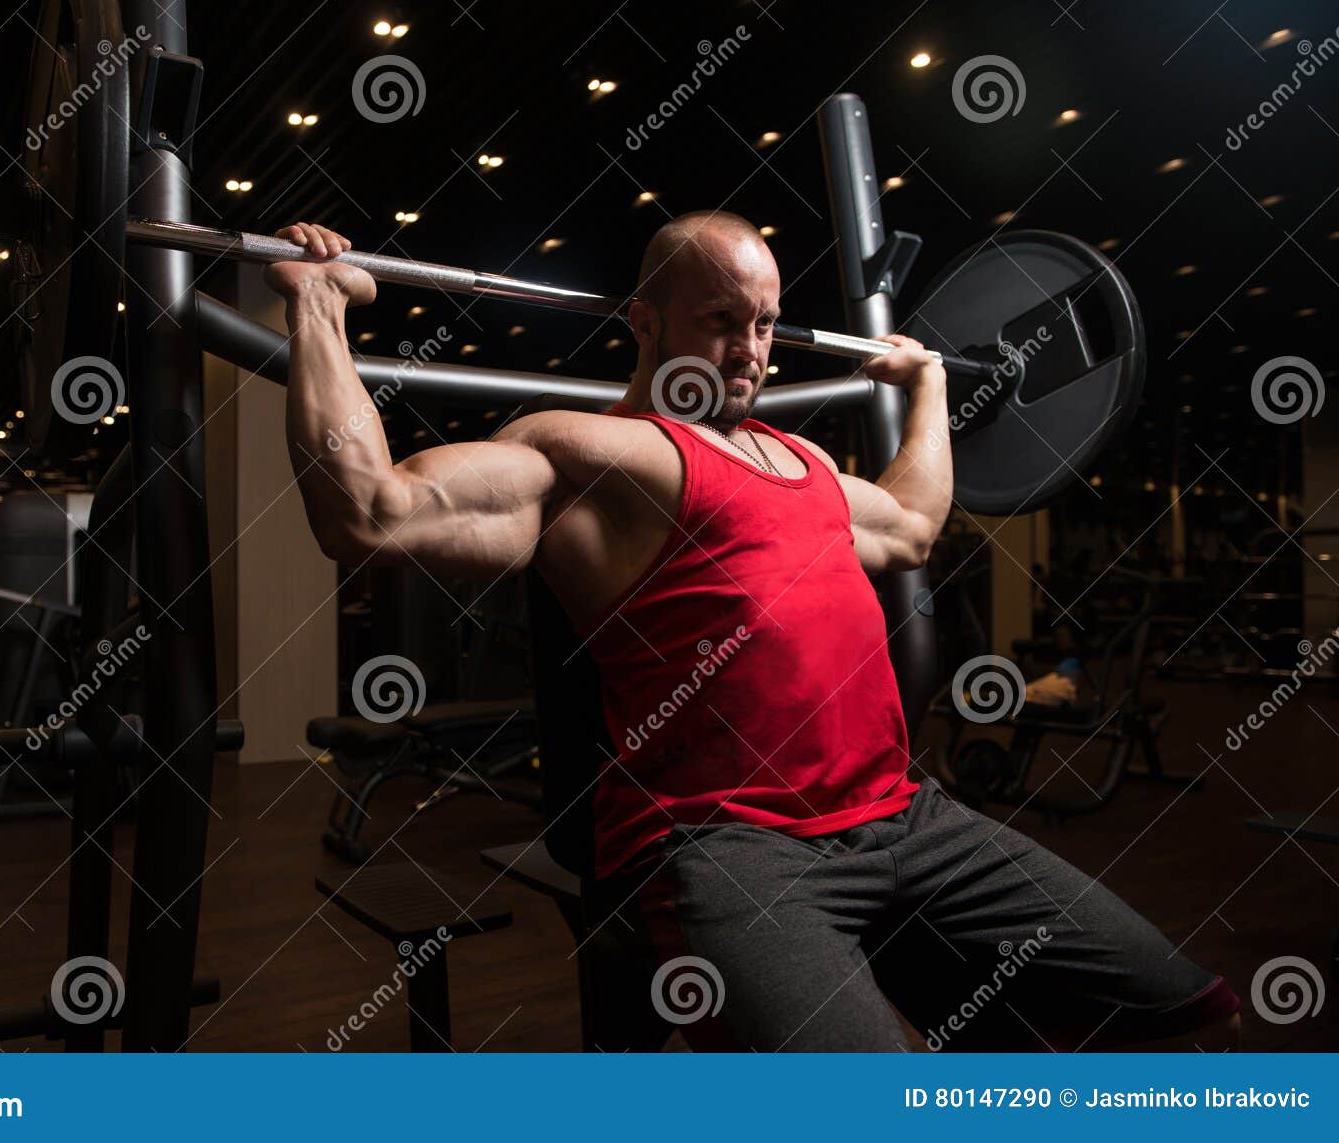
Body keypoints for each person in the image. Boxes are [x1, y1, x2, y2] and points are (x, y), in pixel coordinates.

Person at [265, 212, 1240, 1051]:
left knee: (1181, 1008)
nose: (750, 347)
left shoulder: (801, 458)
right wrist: (317, 307)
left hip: (906, 818)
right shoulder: (595, 453)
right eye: (720, 319)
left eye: (765, 322)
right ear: (644, 321)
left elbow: (910, 526)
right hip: (737, 848)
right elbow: (371, 513)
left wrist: (931, 386)